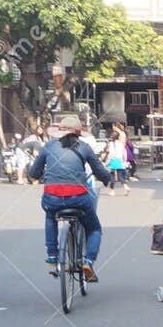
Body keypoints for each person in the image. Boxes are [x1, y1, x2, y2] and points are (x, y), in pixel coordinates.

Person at [27, 115, 110, 280]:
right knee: (94, 229)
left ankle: (52, 255)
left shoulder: (48, 147)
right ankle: (88, 262)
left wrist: (42, 174)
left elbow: (33, 173)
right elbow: (99, 170)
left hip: (52, 197)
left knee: (50, 216)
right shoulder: (84, 147)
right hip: (78, 198)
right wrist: (108, 179)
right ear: (78, 134)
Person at [105, 128, 130, 195]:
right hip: (119, 160)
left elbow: (111, 153)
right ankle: (126, 186)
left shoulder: (111, 144)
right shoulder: (121, 144)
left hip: (113, 161)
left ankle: (112, 191)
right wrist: (124, 160)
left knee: (112, 176)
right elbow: (124, 153)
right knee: (120, 176)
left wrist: (107, 161)